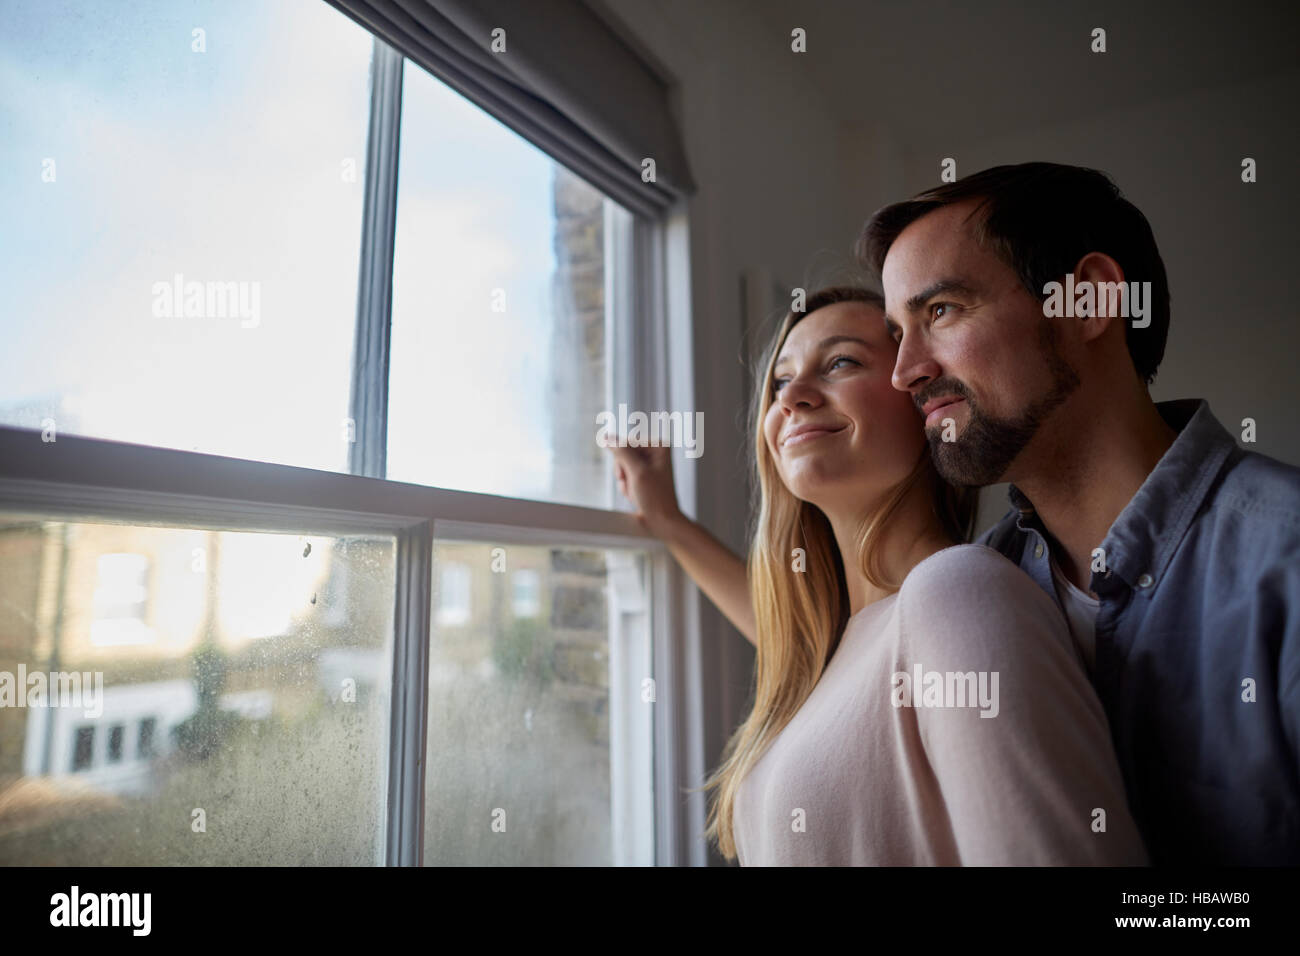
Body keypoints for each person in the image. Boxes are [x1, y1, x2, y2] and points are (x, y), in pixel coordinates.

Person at [609, 285, 1147, 865]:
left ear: (922, 400)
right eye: (781, 382)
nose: (795, 398)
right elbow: (796, 641)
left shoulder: (956, 592)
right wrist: (667, 521)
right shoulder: (846, 640)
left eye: (841, 362)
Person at [857, 161, 1300, 865]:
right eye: (897, 332)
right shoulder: (976, 592)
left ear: (1087, 300)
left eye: (939, 312)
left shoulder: (1286, 565)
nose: (904, 370)